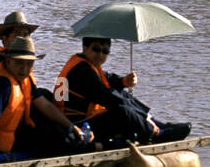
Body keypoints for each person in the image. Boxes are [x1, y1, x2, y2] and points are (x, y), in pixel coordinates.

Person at [0, 35, 88, 166]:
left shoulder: (24, 79)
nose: (24, 69)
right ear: (8, 61)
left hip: (10, 134)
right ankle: (92, 146)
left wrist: (71, 126)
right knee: (60, 141)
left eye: (29, 64)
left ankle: (81, 138)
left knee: (47, 100)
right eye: (19, 63)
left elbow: (45, 105)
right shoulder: (1, 86)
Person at [53, 36, 191, 146]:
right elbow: (108, 99)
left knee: (123, 94)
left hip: (84, 117)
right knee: (121, 109)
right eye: (96, 49)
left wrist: (124, 81)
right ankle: (155, 133)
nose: (100, 55)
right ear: (85, 47)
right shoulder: (81, 70)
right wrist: (142, 119)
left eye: (105, 51)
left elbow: (108, 79)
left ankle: (159, 124)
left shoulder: (84, 63)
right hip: (77, 124)